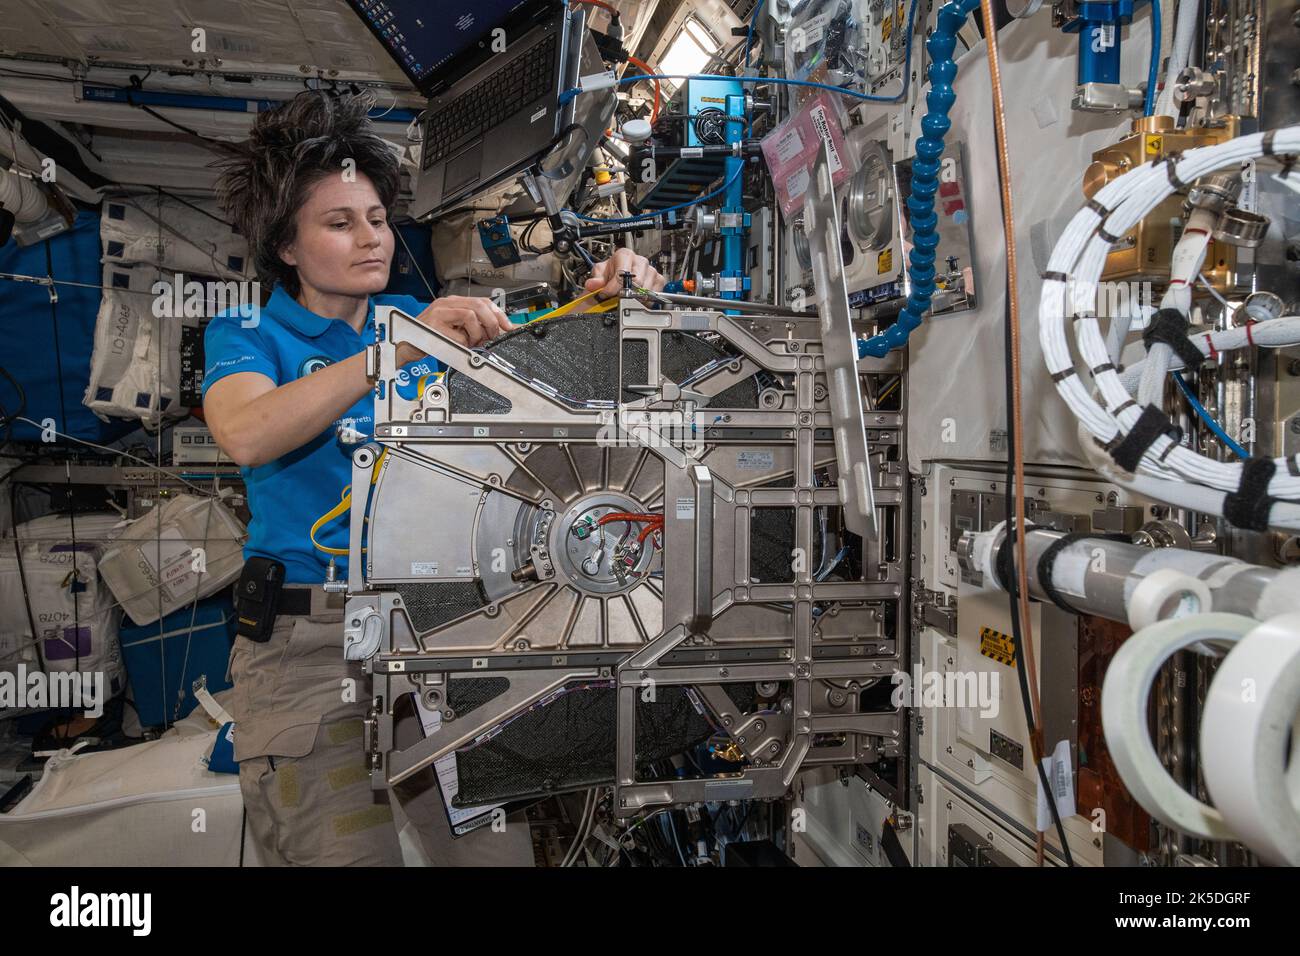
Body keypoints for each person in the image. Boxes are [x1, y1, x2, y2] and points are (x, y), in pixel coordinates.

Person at [202, 90, 664, 865]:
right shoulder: (251, 332)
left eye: (378, 219)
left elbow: (549, 380)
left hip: (446, 634)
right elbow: (248, 433)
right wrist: (396, 352)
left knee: (497, 859)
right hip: (312, 649)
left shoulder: (424, 316)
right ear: (286, 246)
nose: (370, 238)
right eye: (340, 223)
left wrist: (610, 304)